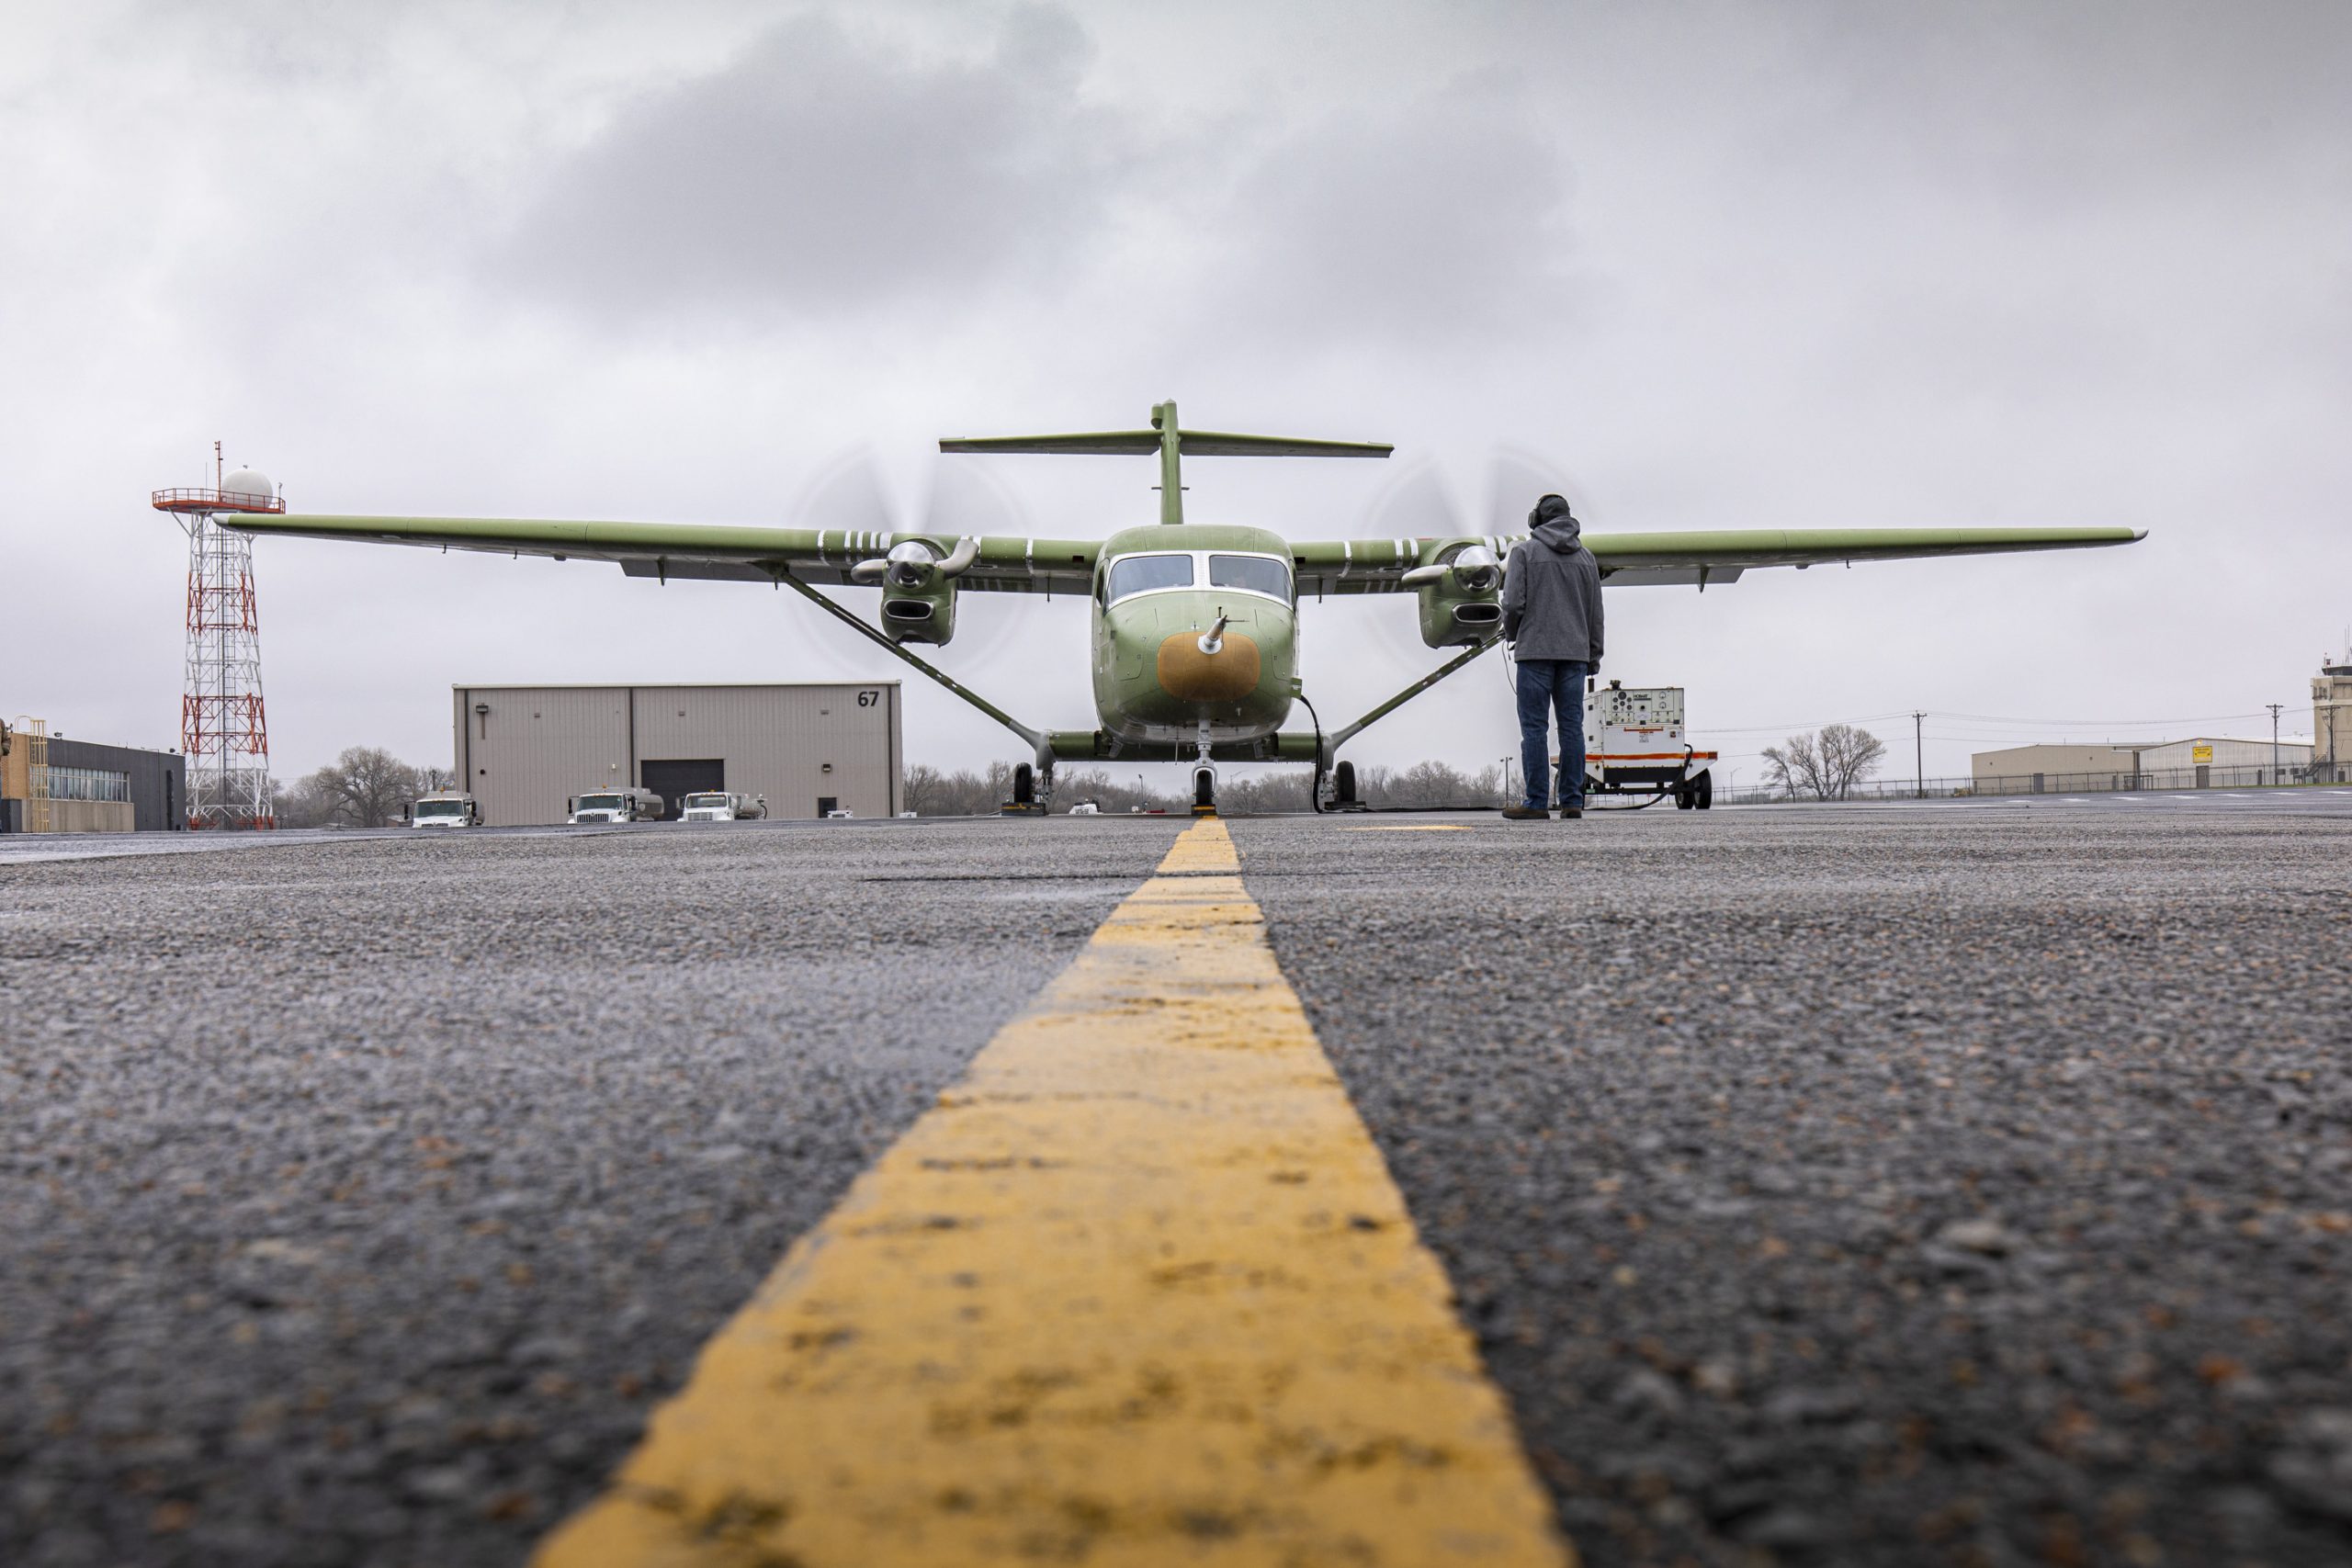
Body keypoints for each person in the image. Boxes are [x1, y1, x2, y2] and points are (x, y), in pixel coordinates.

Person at [1498, 493, 1603, 819]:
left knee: (1534, 729)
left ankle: (1536, 803)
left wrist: (1514, 632)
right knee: (1571, 727)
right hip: (1574, 655)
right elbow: (1595, 613)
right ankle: (1572, 801)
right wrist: (1593, 655)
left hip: (1535, 653)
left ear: (1536, 520)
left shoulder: (1523, 553)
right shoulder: (1587, 558)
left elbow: (1513, 604)